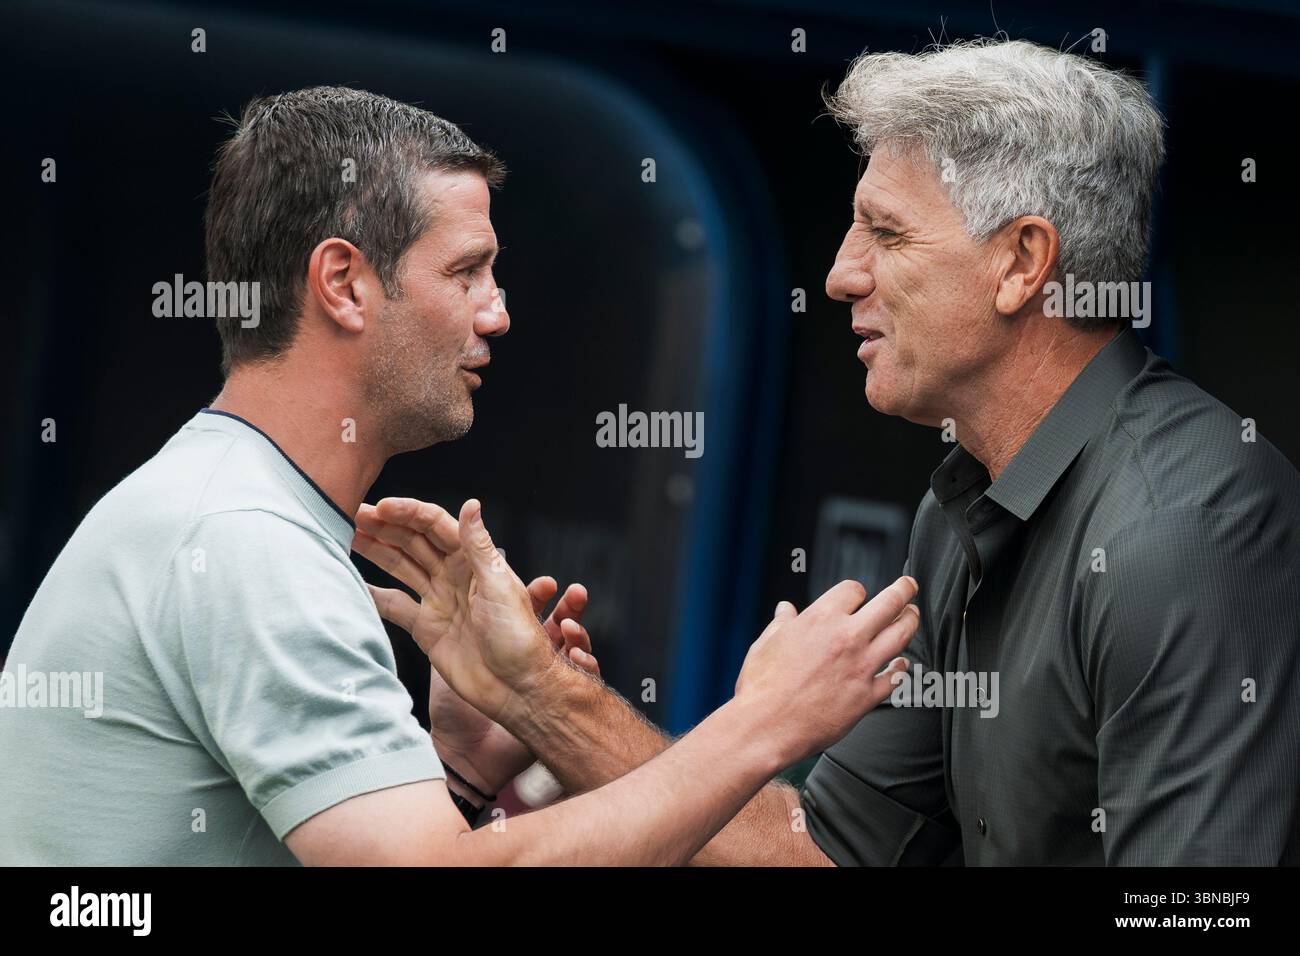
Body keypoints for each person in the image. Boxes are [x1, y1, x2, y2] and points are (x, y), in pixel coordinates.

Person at [366, 39, 1300, 865]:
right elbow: (820, 852)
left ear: (1022, 262)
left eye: (888, 234)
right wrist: (533, 694)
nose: (841, 272)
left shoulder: (1188, 529)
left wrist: (761, 721)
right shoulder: (965, 504)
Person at [0, 86, 919, 866]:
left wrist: (461, 771)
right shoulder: (243, 541)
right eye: (469, 273)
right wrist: (761, 723)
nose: (499, 314)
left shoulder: (227, 509)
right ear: (344, 284)